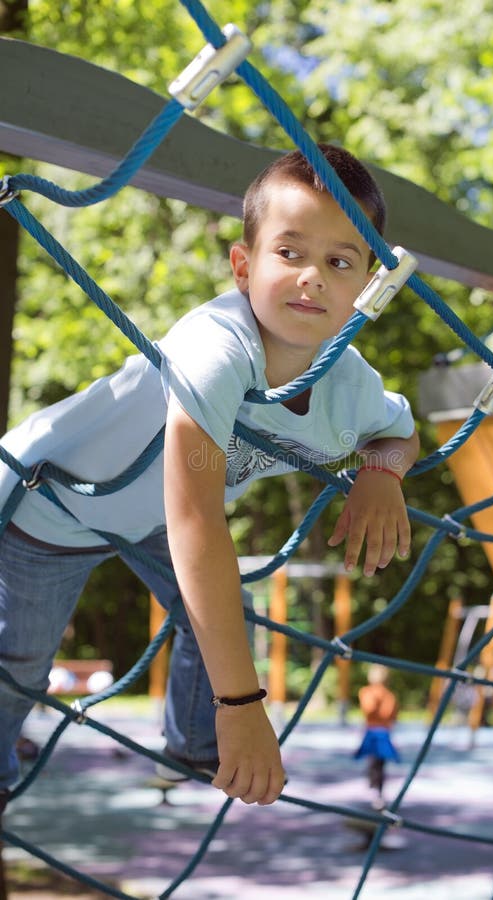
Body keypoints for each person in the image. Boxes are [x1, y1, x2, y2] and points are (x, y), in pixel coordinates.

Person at [0, 143, 420, 810]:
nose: (312, 276)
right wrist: (243, 702)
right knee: (17, 666)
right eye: (290, 252)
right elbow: (197, 516)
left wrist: (382, 474)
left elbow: (398, 431)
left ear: (368, 286)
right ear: (242, 265)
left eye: (339, 262)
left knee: (225, 614)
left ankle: (194, 748)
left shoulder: (349, 380)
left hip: (148, 517)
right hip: (50, 503)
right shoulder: (215, 347)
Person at [354, 664, 401, 806]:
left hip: (379, 732)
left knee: (377, 762)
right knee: (376, 762)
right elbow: (384, 714)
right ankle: (375, 788)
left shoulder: (377, 694)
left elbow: (373, 710)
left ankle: (376, 789)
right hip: (377, 731)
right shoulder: (382, 695)